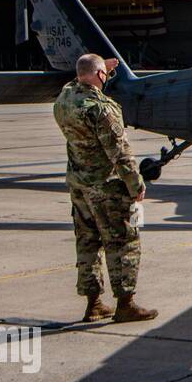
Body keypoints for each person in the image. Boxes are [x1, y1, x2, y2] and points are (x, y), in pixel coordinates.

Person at [53, 54, 157, 323]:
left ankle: (94, 303)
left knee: (87, 243)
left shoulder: (64, 100)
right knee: (122, 242)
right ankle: (125, 303)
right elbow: (120, 153)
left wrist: (98, 70)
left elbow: (76, 80)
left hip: (78, 185)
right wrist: (136, 184)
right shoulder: (102, 109)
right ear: (101, 75)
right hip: (106, 187)